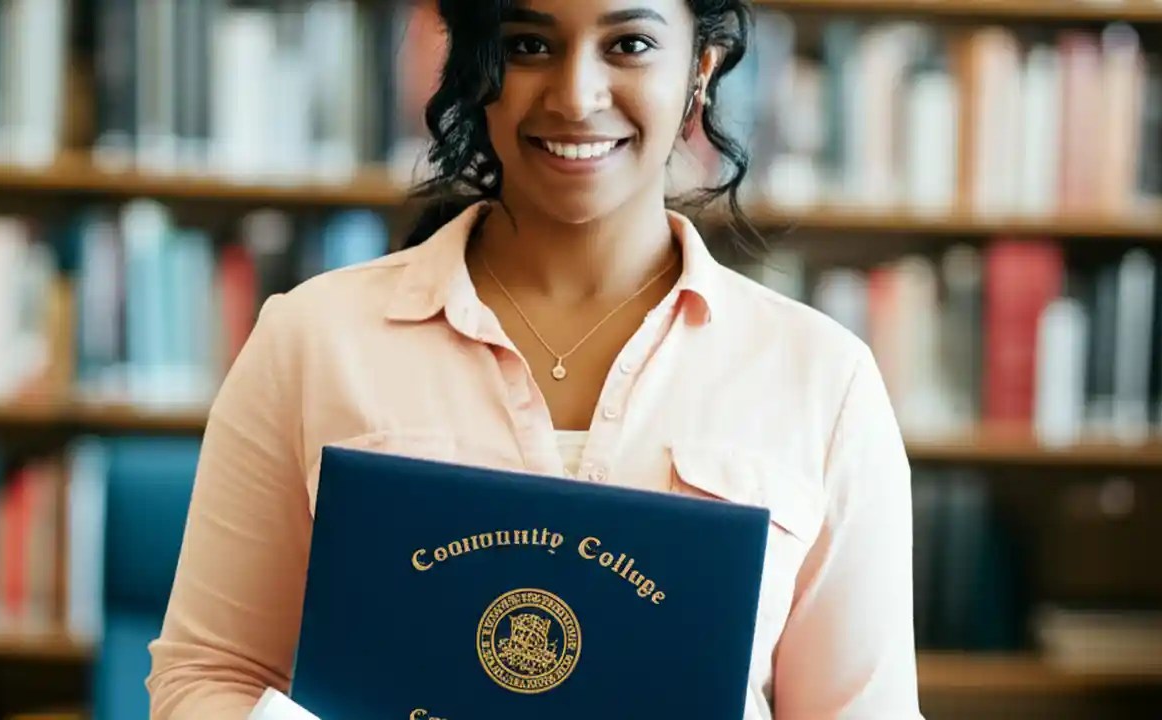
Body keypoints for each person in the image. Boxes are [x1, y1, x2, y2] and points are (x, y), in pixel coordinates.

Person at [145, 0, 924, 718]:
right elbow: (205, 676)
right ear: (476, 63)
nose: (575, 93)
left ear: (702, 67)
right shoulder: (311, 339)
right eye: (527, 45)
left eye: (630, 44)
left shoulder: (824, 381)